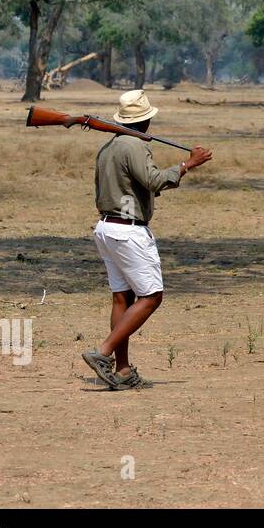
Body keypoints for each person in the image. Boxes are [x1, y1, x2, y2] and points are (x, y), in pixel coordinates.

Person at [81, 90, 212, 389]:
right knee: (152, 296)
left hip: (106, 228)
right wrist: (187, 165)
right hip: (128, 231)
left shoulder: (109, 146)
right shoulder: (134, 146)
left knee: (122, 297)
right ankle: (102, 353)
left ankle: (123, 370)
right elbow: (153, 182)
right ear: (147, 120)